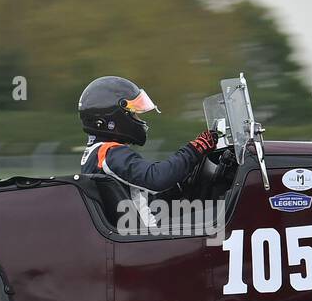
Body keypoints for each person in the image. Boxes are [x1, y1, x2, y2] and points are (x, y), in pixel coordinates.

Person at [78, 76, 216, 228]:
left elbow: (139, 195)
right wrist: (195, 149)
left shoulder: (96, 154)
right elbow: (157, 178)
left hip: (137, 233)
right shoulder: (109, 153)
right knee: (219, 219)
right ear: (111, 119)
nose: (137, 119)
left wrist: (177, 188)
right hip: (145, 235)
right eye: (133, 113)